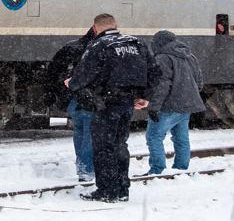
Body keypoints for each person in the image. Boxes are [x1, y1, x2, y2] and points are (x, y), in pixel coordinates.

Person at [68, 14, 160, 203]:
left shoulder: (99, 45)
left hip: (105, 102)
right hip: (128, 102)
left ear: (95, 28)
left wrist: (72, 83)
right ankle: (122, 189)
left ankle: (107, 191)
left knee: (103, 147)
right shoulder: (137, 44)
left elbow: (83, 74)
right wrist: (145, 96)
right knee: (120, 144)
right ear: (115, 25)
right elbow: (155, 72)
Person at [144, 31, 205, 175]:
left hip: (168, 106)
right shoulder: (190, 56)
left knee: (154, 137)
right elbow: (199, 82)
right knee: (181, 139)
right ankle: (181, 168)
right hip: (186, 106)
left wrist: (153, 106)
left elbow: (162, 86)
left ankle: (157, 170)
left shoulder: (162, 58)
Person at [55, 28, 98, 182]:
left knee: (80, 133)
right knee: (90, 135)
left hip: (74, 100)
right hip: (89, 100)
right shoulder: (97, 51)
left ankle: (82, 168)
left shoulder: (71, 47)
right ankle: (86, 170)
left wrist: (63, 95)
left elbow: (54, 72)